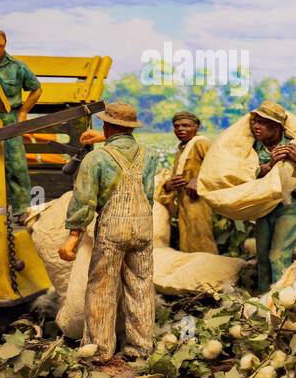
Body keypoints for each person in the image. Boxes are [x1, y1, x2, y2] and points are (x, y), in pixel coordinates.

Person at [58, 102, 158, 362]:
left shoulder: (96, 158)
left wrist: (73, 237)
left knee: (102, 287)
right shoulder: (148, 155)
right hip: (144, 226)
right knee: (141, 286)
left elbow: (84, 201)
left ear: (108, 125)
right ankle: (141, 348)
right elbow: (148, 195)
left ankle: (99, 350)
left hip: (114, 227)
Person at [249, 101, 296, 292]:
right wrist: (269, 166)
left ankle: (281, 300)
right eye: (254, 121)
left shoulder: (295, 147)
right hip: (263, 208)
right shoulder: (252, 149)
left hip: (288, 207)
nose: (256, 126)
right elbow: (245, 176)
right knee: (263, 257)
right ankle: (263, 300)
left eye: (262, 122)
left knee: (278, 256)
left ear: (276, 127)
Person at [0, 27, 42, 218]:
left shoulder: (17, 67)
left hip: (9, 120)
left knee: (17, 166)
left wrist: (24, 112)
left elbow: (36, 89)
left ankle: (21, 210)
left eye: (0, 46)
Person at [155, 111, 217, 254]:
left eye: (186, 126)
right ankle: (192, 273)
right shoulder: (181, 149)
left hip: (199, 201)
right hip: (184, 202)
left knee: (201, 237)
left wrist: (197, 179)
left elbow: (217, 165)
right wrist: (170, 185)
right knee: (187, 239)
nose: (180, 129)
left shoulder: (202, 143)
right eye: (177, 126)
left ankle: (208, 272)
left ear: (196, 127)